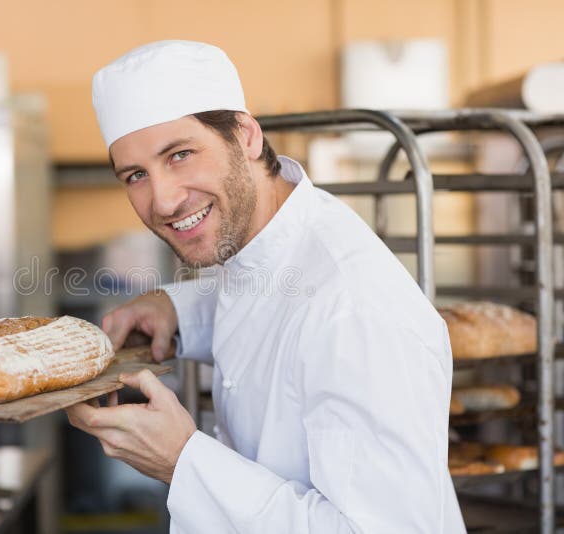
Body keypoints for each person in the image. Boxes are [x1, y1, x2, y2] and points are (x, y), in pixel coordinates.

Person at [65, 40, 465, 533]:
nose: (163, 200)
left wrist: (183, 462)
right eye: (135, 175)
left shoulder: (355, 308)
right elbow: (271, 298)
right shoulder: (268, 247)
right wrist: (175, 306)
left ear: (246, 135)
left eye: (181, 154)